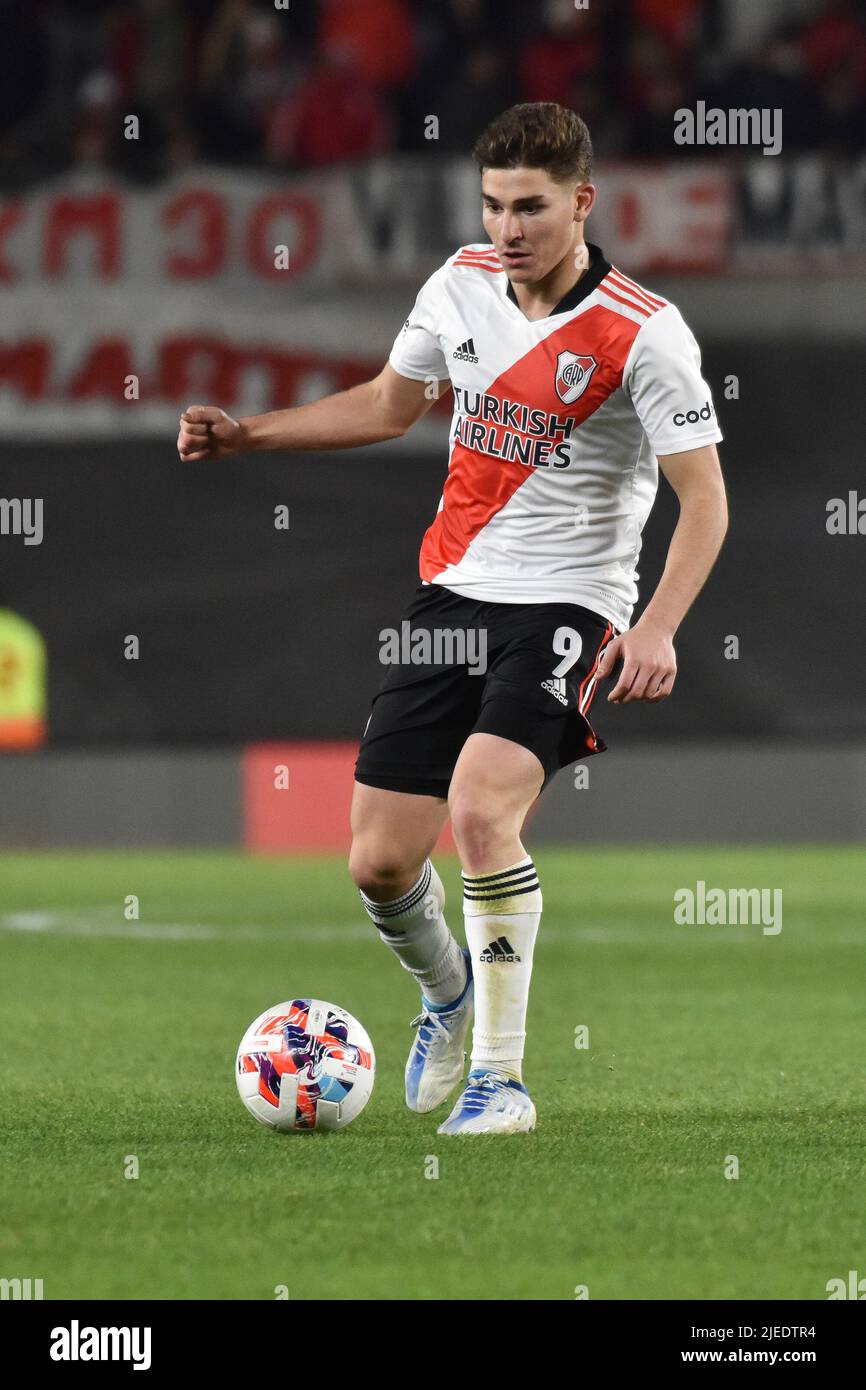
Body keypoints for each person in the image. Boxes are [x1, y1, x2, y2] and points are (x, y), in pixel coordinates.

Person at [177, 102, 728, 1136]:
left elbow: (705, 498)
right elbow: (391, 405)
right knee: (379, 862)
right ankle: (446, 995)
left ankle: (501, 1081)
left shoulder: (644, 332)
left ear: (580, 203)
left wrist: (654, 626)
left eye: (528, 206)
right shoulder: (459, 283)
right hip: (452, 596)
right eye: (492, 204)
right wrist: (249, 434)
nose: (507, 226)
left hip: (570, 603)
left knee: (479, 812)